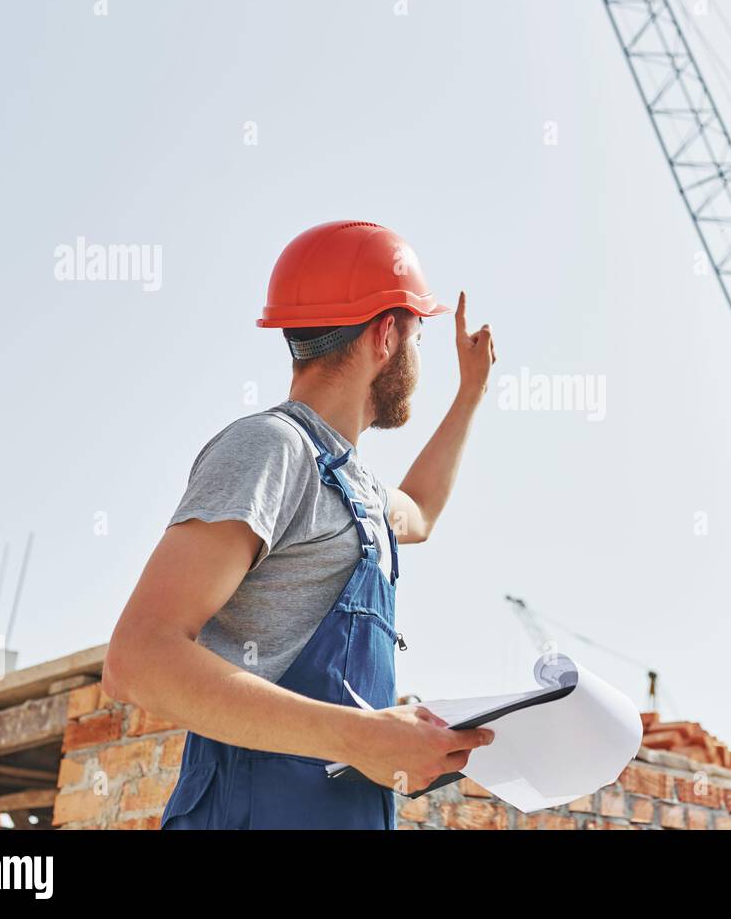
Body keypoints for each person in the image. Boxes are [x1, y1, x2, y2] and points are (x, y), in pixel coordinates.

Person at [102, 220, 497, 829]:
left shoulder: (354, 487)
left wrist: (470, 394)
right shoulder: (272, 448)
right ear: (386, 335)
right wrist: (361, 737)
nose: (419, 356)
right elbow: (136, 659)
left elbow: (419, 511)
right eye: (418, 336)